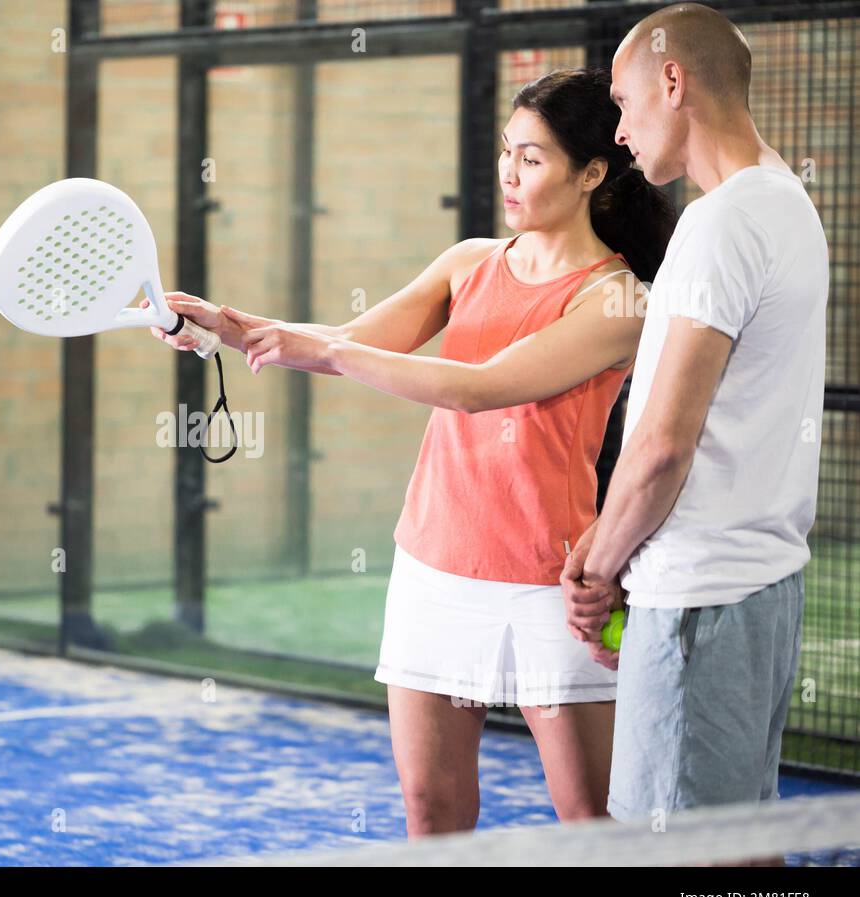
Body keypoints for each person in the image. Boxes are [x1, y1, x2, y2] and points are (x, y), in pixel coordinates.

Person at [149, 68, 677, 834]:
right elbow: (352, 340)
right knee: (430, 806)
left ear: (592, 173)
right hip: (432, 567)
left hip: (549, 582)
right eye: (506, 152)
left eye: (531, 158)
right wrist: (221, 325)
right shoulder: (468, 262)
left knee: (592, 818)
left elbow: (479, 386)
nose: (508, 172)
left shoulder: (619, 298)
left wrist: (328, 352)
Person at [560, 4, 828, 827]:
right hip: (764, 593)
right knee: (740, 844)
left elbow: (662, 447)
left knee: (671, 856)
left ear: (673, 81)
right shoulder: (789, 203)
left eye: (625, 101)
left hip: (698, 606)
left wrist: (598, 565)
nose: (619, 129)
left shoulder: (719, 225)